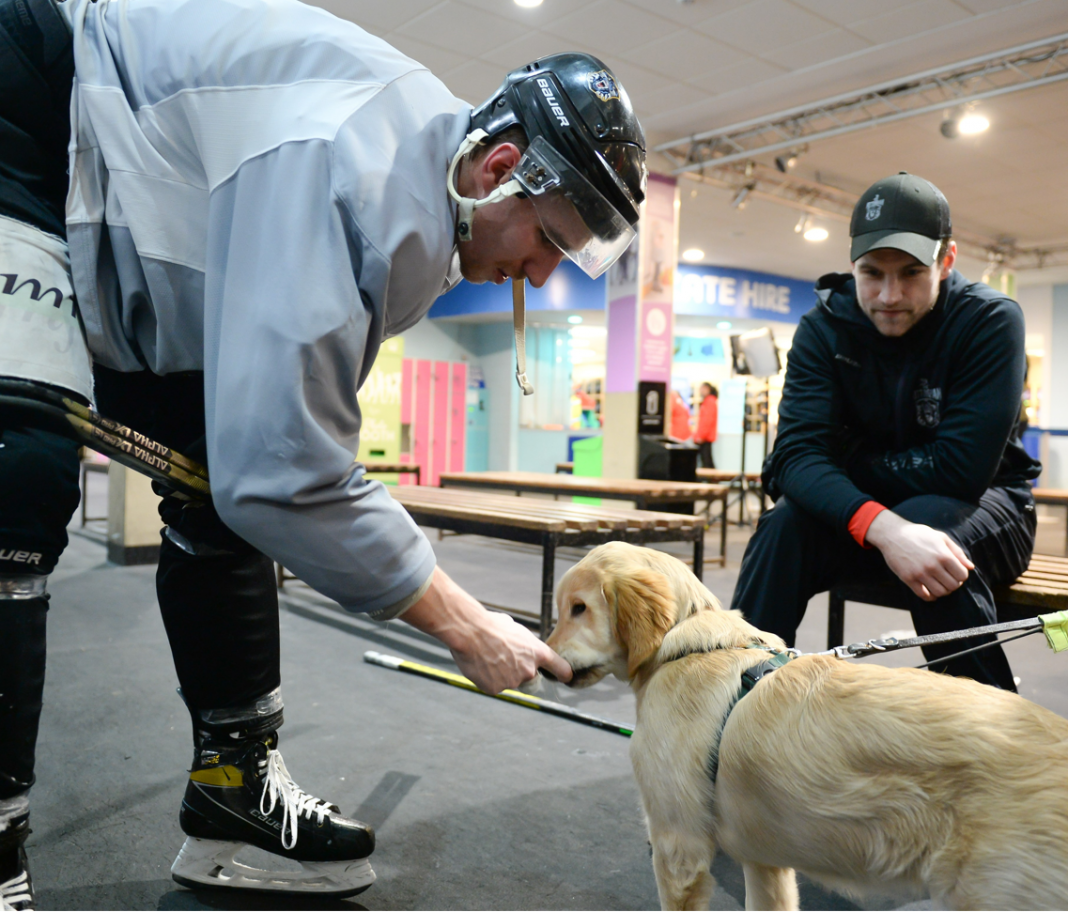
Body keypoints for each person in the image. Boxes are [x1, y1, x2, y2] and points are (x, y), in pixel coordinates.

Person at [0, 0, 647, 905]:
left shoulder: (415, 198)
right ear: (502, 170)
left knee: (216, 484)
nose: (543, 274)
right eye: (550, 241)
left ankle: (234, 795)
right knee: (14, 463)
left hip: (137, 185)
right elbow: (291, 470)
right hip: (37, 92)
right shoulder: (349, 167)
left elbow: (273, 450)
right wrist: (465, 626)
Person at [730, 172, 1041, 692]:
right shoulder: (823, 327)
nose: (890, 295)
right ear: (852, 265)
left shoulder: (989, 320)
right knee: (783, 525)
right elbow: (792, 462)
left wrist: (842, 462)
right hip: (877, 522)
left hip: (991, 504)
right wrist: (883, 526)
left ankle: (993, 739)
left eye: (912, 273)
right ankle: (734, 701)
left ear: (947, 260)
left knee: (932, 531)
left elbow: (960, 472)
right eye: (871, 273)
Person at [693, 383, 718, 469]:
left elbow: (707, 420)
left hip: (705, 438)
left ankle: (712, 480)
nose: (701, 391)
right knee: (706, 461)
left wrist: (701, 436)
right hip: (704, 437)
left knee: (707, 461)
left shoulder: (710, 401)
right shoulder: (708, 401)